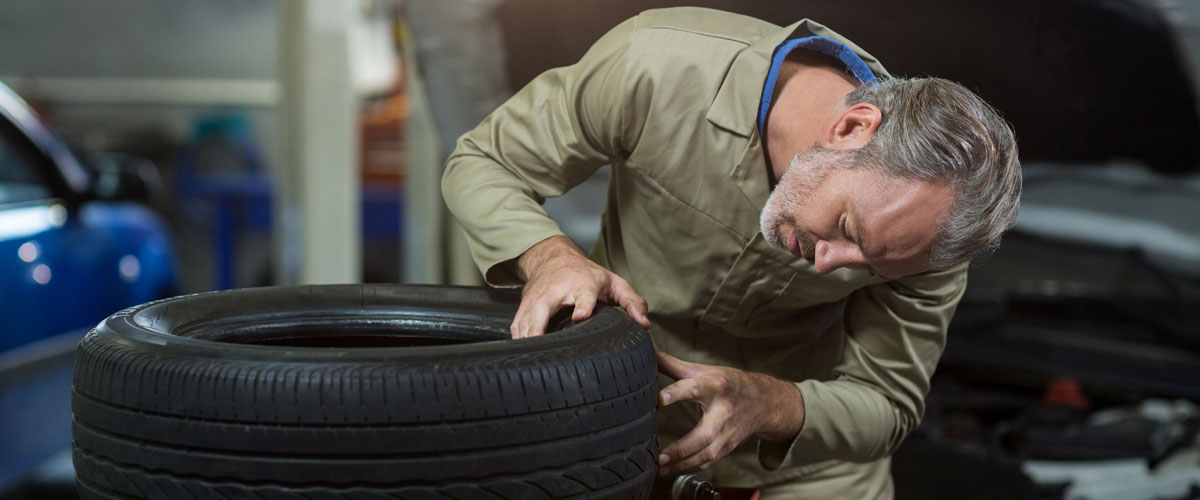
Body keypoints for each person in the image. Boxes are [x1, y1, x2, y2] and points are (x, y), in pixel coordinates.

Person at [441, 6, 1021, 499]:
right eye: (846, 227)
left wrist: (770, 403)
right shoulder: (660, 67)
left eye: (868, 268)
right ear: (851, 128)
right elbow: (487, 162)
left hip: (807, 472)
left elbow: (887, 402)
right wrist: (550, 257)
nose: (830, 265)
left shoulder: (930, 236)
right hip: (616, 430)